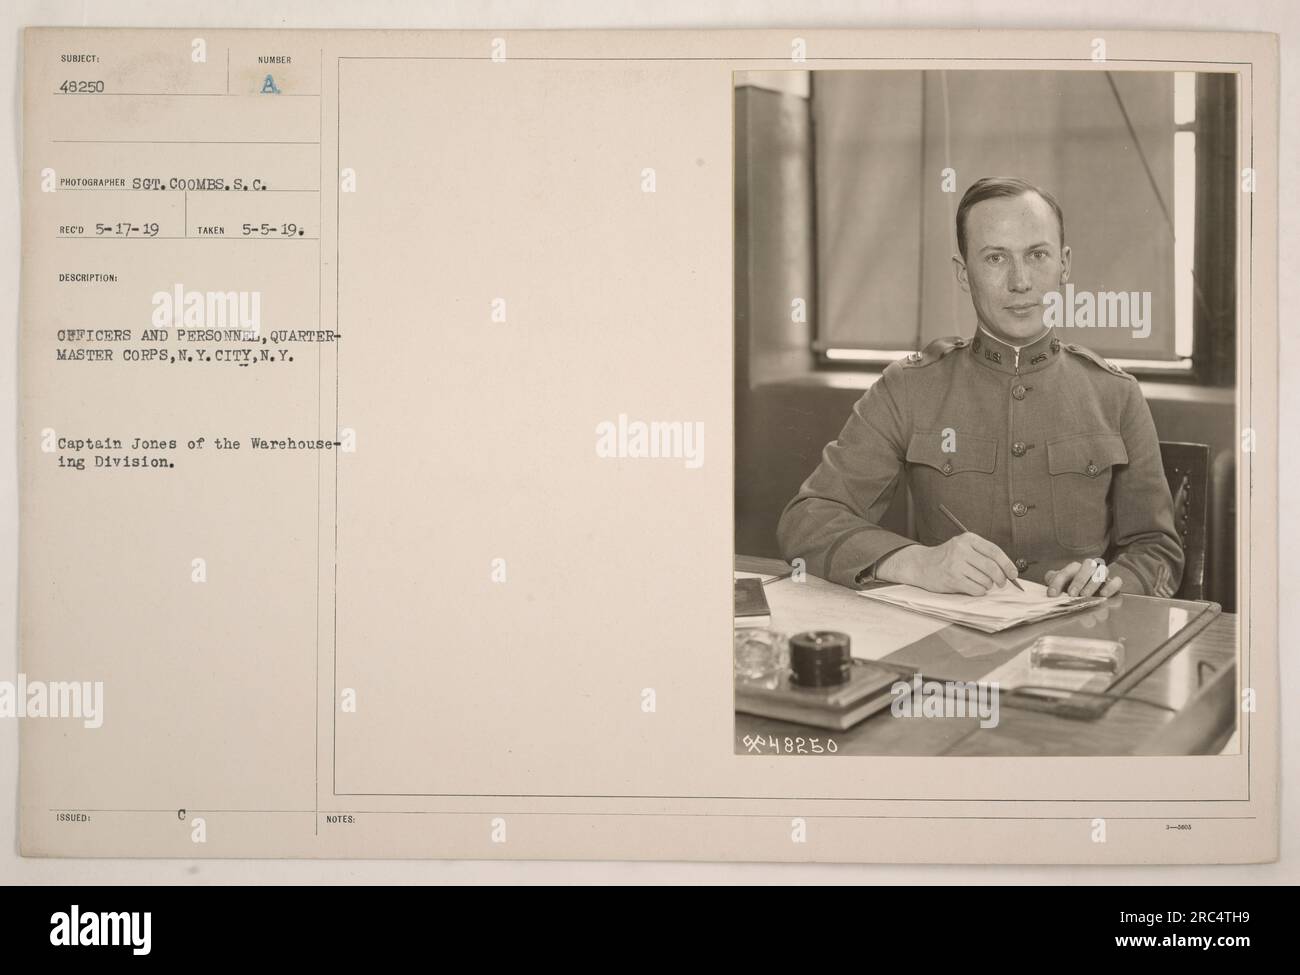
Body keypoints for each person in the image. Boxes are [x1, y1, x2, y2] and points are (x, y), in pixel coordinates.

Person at [777, 176, 1183, 600]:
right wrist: (916, 562)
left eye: (1037, 255)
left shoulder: (1116, 395)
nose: (1020, 281)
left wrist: (1108, 585)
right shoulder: (909, 388)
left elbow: (1157, 551)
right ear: (963, 273)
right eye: (995, 259)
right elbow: (806, 520)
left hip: (1076, 645)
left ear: (1064, 265)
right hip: (948, 651)